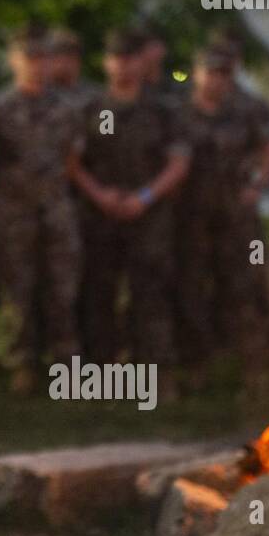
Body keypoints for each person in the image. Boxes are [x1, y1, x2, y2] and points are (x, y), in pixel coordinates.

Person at [70, 29, 190, 391]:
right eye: (116, 59)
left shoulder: (162, 111)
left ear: (142, 62)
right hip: (99, 213)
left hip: (149, 215)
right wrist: (100, 195)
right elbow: (73, 161)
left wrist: (145, 197)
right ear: (106, 63)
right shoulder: (90, 109)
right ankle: (103, 373)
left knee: (150, 291)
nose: (122, 66)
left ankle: (155, 371)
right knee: (99, 291)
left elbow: (179, 162)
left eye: (129, 59)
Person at [0, 29, 83, 394]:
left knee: (62, 286)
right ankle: (23, 363)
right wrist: (6, 194)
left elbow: (72, 159)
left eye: (43, 59)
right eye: (29, 59)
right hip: (13, 211)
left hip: (56, 209)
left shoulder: (67, 110)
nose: (37, 67)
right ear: (13, 61)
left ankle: (64, 361)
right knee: (17, 288)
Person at [175, 43, 269, 388]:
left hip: (238, 215)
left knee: (247, 285)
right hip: (192, 216)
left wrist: (258, 185)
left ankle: (256, 366)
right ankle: (198, 366)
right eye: (211, 72)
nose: (217, 80)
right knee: (193, 287)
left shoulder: (248, 111)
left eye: (224, 74)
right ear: (197, 73)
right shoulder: (178, 113)